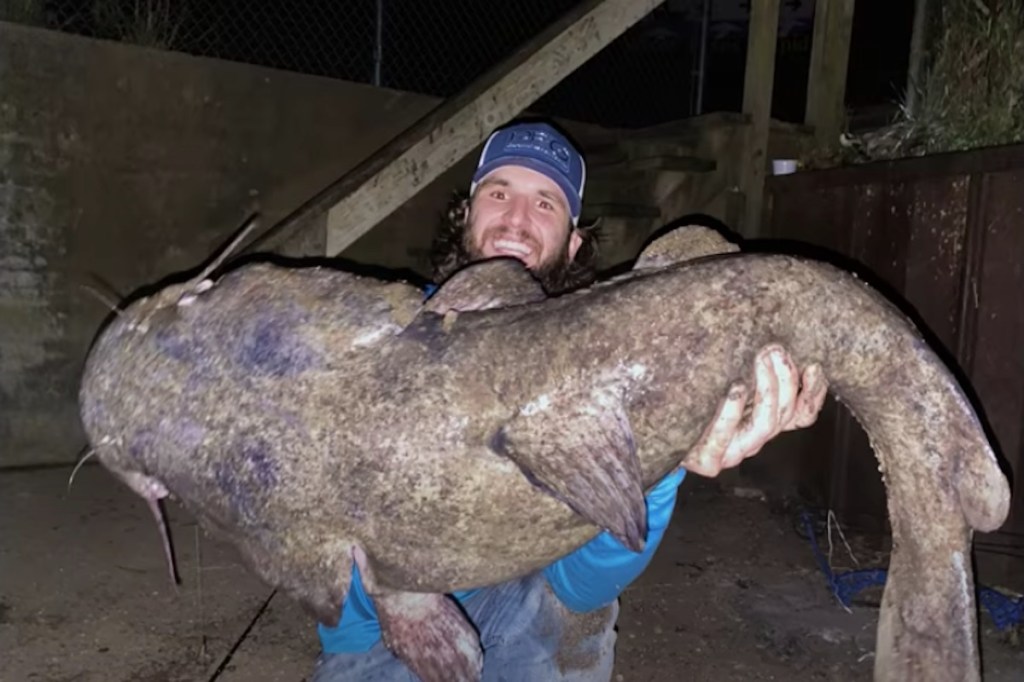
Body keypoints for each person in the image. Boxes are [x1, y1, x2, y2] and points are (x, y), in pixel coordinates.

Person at [311, 119, 826, 681]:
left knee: (565, 612)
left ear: (573, 241)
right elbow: (343, 597)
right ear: (467, 214)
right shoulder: (385, 339)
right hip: (380, 633)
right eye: (499, 193)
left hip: (533, 602)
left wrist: (654, 462)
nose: (515, 219)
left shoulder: (605, 361)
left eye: (545, 204)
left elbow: (583, 587)